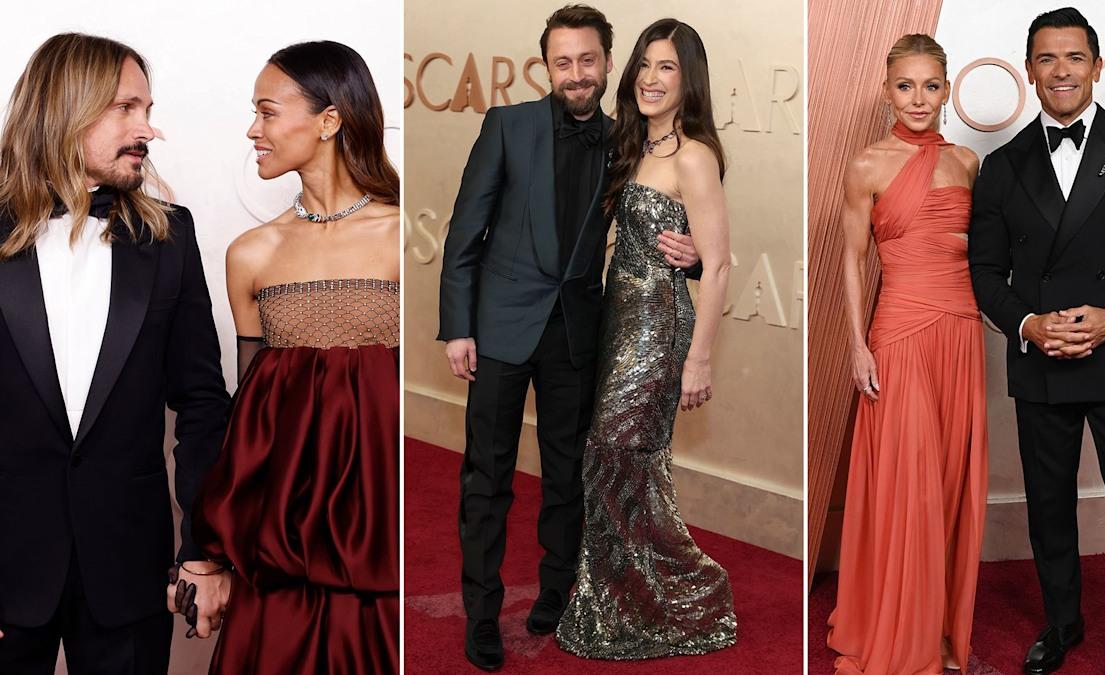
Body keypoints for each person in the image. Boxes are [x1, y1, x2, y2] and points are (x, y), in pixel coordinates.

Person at [438, 4, 701, 671]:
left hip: (578, 332)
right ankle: (481, 614)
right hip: (497, 328)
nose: (577, 74)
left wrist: (692, 253)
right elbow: (465, 232)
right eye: (564, 62)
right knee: (487, 478)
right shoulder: (508, 125)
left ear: (607, 62)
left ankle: (555, 592)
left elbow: (660, 221)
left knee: (566, 477)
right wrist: (457, 327)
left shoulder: (627, 141)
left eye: (588, 60)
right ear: (546, 65)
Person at [969, 8, 1105, 675]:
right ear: (1029, 71)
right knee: (1049, 506)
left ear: (1097, 67)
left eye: (1073, 58)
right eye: (1046, 59)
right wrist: (1029, 325)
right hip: (1042, 361)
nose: (1060, 71)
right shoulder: (1003, 166)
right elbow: (983, 270)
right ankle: (1061, 624)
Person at [0, 33, 230, 674]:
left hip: (130, 571)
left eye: (148, 109)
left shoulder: (170, 235)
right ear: (65, 109)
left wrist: (203, 551)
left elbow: (203, 403)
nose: (148, 129)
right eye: (126, 109)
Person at [187, 41, 400, 674]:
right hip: (279, 550)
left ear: (330, 121)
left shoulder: (404, 238)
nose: (254, 130)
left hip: (383, 540)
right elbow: (248, 417)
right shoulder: (250, 254)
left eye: (268, 112)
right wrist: (213, 553)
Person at [553, 17, 738, 659]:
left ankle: (693, 588)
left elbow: (716, 265)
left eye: (668, 68)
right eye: (645, 66)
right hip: (616, 318)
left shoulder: (694, 154)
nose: (651, 79)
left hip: (658, 325)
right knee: (621, 465)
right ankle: (623, 600)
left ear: (689, 82)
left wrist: (699, 360)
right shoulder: (630, 146)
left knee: (613, 454)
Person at [826, 34, 988, 675]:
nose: (917, 99)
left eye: (929, 86)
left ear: (946, 90)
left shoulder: (968, 162)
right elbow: (851, 257)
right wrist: (857, 345)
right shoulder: (867, 164)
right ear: (886, 89)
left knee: (947, 482)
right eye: (904, 86)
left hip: (961, 330)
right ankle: (904, 632)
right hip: (899, 333)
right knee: (908, 487)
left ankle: (943, 628)